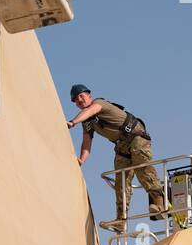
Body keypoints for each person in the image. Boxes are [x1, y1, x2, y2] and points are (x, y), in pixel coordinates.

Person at [66, 83, 166, 230]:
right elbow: (86, 143)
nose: (79, 100)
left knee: (142, 167)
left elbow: (92, 110)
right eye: (76, 100)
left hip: (135, 136)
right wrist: (81, 160)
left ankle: (159, 203)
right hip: (122, 145)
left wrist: (72, 122)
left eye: (81, 96)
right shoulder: (87, 122)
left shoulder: (99, 103)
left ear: (89, 95)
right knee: (121, 181)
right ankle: (121, 220)